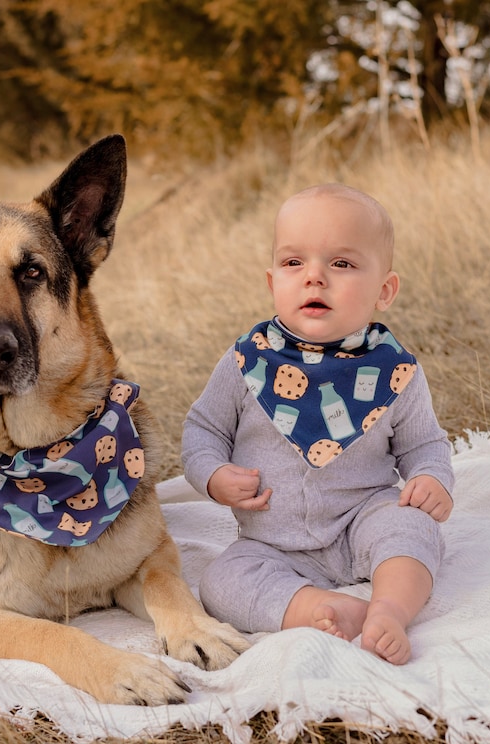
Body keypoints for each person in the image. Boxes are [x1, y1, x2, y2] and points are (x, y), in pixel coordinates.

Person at [182, 183, 453, 664]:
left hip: (362, 518)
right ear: (272, 283)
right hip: (271, 542)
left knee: (412, 527)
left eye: (342, 264)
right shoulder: (248, 362)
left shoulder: (394, 371)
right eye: (294, 263)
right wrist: (213, 476)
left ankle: (389, 608)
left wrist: (431, 478)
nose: (315, 278)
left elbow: (423, 444)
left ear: (384, 290)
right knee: (220, 583)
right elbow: (204, 430)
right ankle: (323, 608)